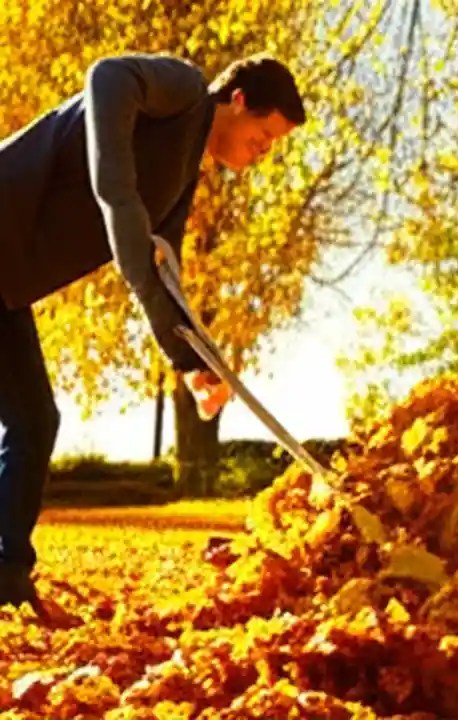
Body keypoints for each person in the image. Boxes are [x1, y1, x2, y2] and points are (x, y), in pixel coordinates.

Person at [0, 52, 306, 614]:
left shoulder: (181, 175)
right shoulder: (186, 91)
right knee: (31, 419)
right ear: (238, 101)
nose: (263, 154)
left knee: (34, 420)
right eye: (264, 136)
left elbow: (160, 270)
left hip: (6, 289)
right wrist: (115, 189)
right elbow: (106, 76)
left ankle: (6, 581)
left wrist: (191, 362)